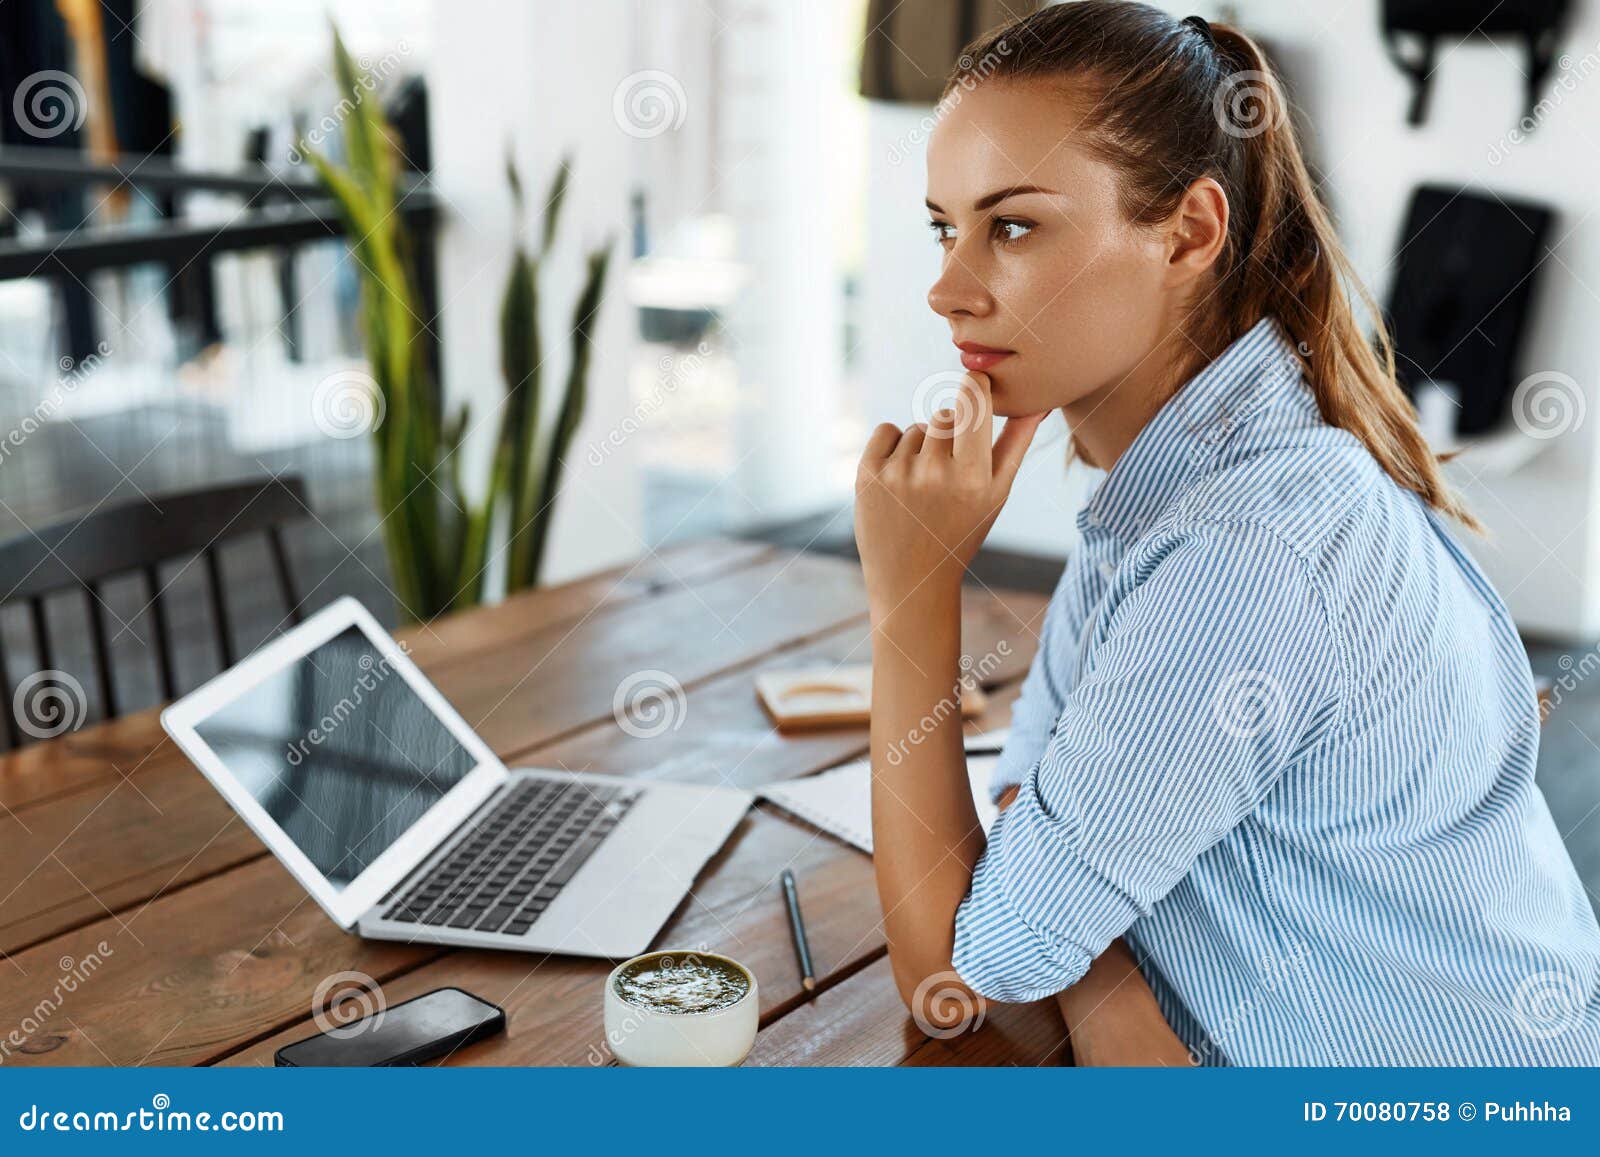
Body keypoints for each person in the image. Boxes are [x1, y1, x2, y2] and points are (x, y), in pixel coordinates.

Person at [854, 1, 1600, 1065]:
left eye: (1011, 226)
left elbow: (957, 976)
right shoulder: (1181, 479)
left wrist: (911, 596)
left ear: (1191, 232)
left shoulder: (1243, 551)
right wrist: (1101, 980)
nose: (947, 289)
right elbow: (1034, 770)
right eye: (945, 226)